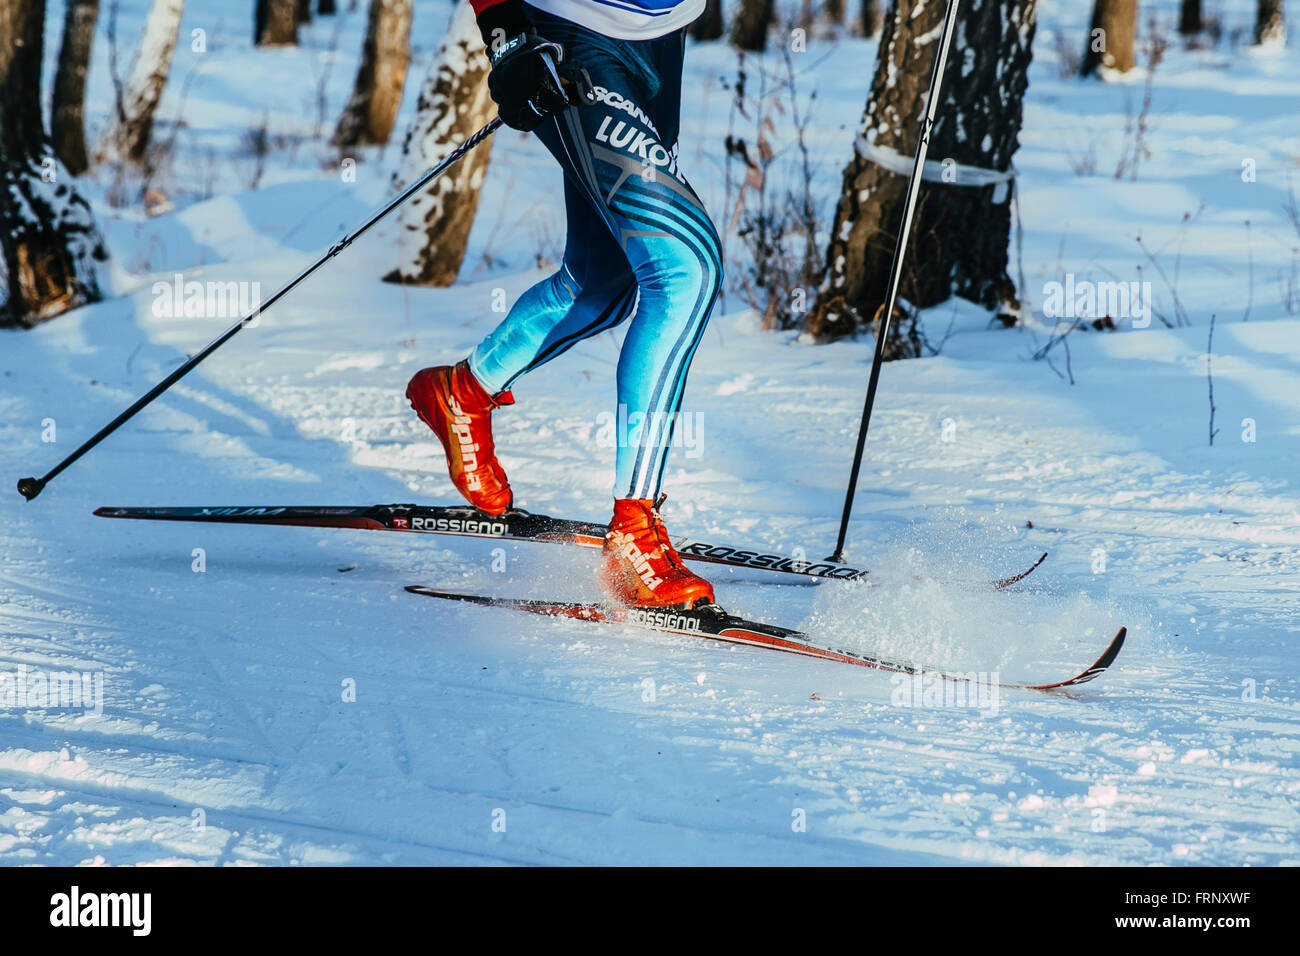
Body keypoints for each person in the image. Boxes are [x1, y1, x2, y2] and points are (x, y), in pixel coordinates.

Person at [406, 0, 722, 610]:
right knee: (685, 268)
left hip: (662, 37)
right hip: (569, 32)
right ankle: (634, 528)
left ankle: (461, 392)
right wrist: (502, 27)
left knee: (602, 282)